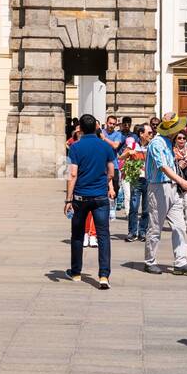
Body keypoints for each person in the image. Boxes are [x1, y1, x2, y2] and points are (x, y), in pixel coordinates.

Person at [143, 114, 187, 276]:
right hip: (159, 187)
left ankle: (181, 262)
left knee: (179, 226)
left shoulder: (168, 143)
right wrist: (182, 181)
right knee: (155, 227)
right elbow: (163, 167)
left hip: (172, 188)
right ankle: (150, 261)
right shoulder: (157, 144)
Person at [64, 114, 116, 289]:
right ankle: (103, 276)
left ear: (80, 128)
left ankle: (76, 272)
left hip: (80, 197)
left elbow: (72, 174)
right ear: (95, 127)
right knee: (103, 236)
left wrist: (68, 199)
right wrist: (104, 184)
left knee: (77, 235)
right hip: (100, 196)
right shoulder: (105, 146)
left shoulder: (75, 148)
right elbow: (111, 173)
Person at [126, 126, 151, 242]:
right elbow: (121, 157)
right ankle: (132, 232)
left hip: (149, 180)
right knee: (134, 207)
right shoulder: (133, 145)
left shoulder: (152, 146)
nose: (151, 135)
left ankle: (142, 232)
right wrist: (129, 153)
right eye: (149, 133)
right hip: (136, 179)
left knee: (146, 209)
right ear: (141, 134)